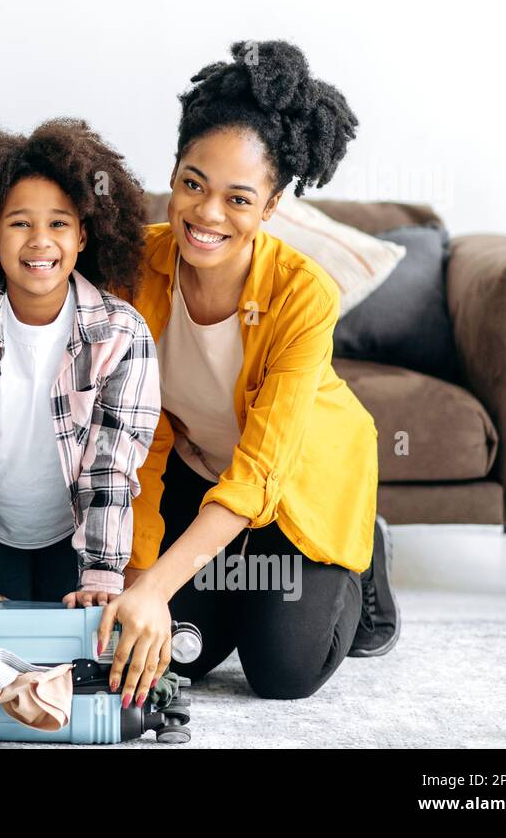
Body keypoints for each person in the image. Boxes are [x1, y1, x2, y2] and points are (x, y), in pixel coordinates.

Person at [97, 40, 401, 708]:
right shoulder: (132, 269)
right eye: (192, 184)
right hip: (201, 473)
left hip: (293, 477)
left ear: (270, 207)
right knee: (176, 656)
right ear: (173, 174)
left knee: (283, 671)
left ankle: (362, 554)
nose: (206, 215)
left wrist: (155, 590)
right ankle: (235, 576)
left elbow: (262, 470)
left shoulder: (302, 294)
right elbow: (137, 442)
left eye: (238, 199)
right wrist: (139, 576)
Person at [0, 119, 161, 608]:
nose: (40, 240)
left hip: (76, 547)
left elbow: (111, 469)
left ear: (84, 236)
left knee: (71, 660)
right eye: (20, 223)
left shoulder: (123, 334)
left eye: (58, 223)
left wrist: (102, 578)